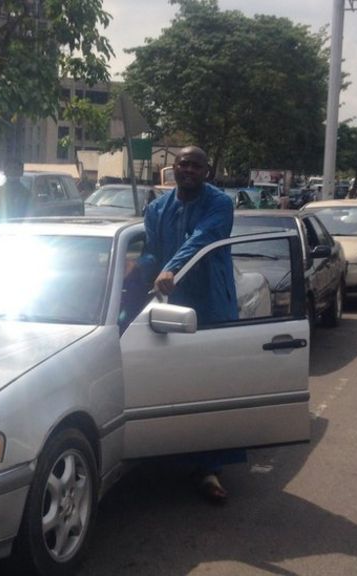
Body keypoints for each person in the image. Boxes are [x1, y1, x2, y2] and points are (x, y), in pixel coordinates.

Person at [136, 146, 242, 503]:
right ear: (173, 168)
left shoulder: (219, 204)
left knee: (212, 385)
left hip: (211, 304)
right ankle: (173, 456)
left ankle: (210, 469)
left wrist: (171, 268)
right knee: (174, 384)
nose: (189, 170)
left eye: (197, 165)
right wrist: (134, 270)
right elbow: (152, 252)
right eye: (183, 164)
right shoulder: (156, 209)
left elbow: (202, 238)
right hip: (171, 307)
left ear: (207, 171)